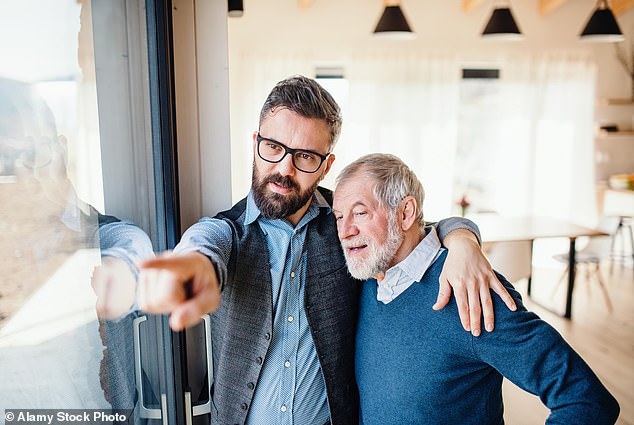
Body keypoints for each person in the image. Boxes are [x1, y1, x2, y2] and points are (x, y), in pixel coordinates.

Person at [136, 75, 516, 425]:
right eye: (273, 147)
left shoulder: (346, 224)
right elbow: (203, 247)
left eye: (304, 156)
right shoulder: (227, 231)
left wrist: (463, 238)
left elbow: (414, 228)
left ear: (325, 165)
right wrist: (191, 268)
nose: (284, 169)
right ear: (256, 145)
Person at [333, 153, 620, 425]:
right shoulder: (368, 280)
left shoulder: (471, 292)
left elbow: (586, 400)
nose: (345, 231)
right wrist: (461, 235)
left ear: (406, 213)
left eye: (360, 213)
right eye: (339, 217)